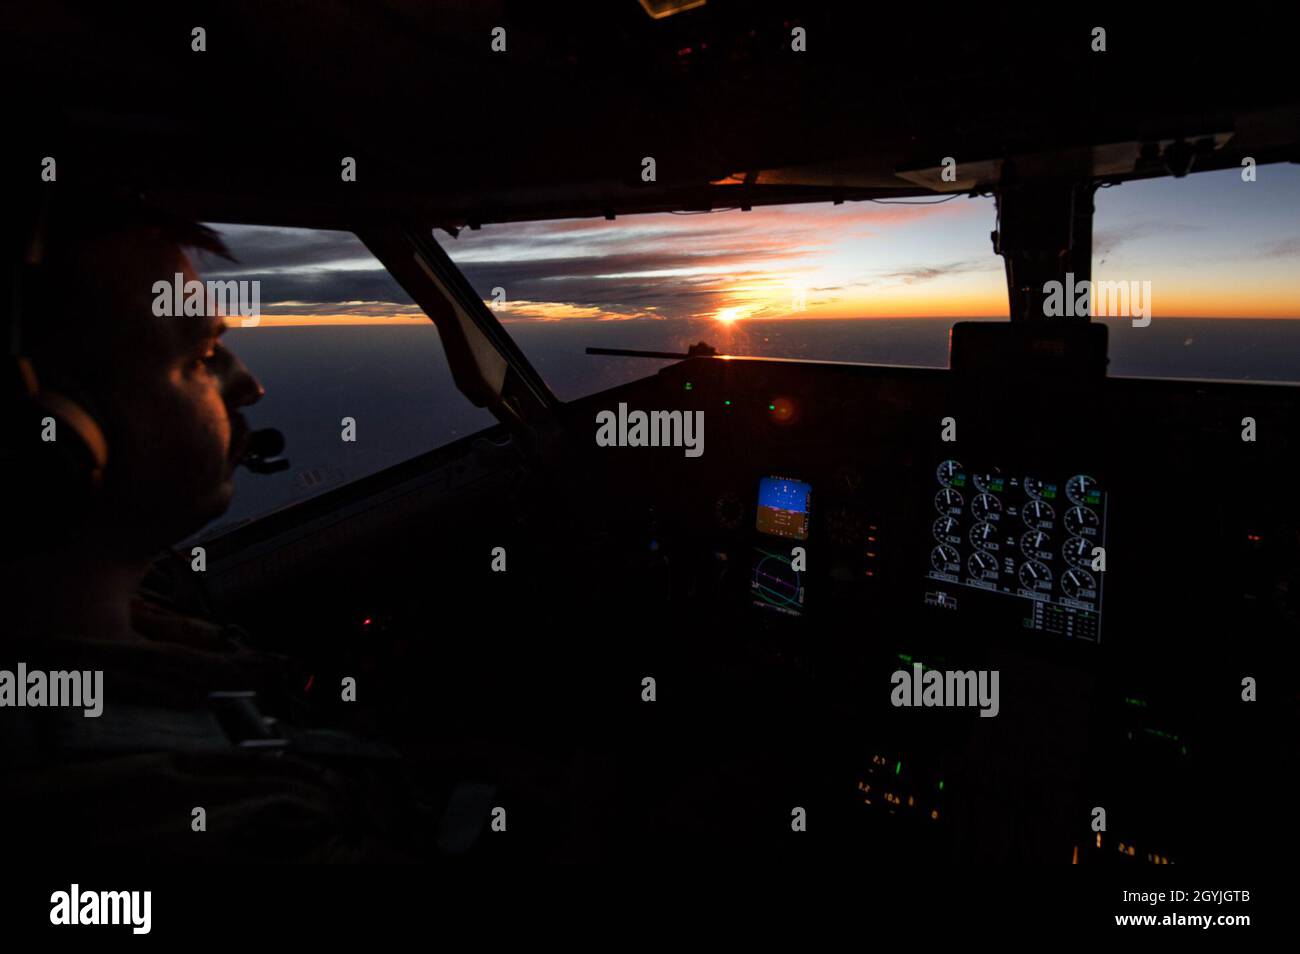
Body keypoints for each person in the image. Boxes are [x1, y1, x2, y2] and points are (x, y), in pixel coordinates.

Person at [0, 191, 456, 861]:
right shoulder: (171, 817)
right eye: (202, 355)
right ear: (54, 435)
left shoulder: (141, 642)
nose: (249, 385)